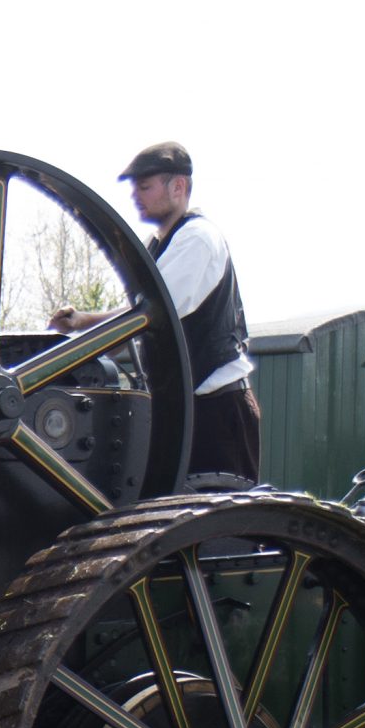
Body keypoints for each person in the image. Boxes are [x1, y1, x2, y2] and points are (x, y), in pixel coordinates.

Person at [49, 141, 260, 484]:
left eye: (144, 186)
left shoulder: (198, 238)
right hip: (183, 409)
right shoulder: (158, 246)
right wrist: (79, 334)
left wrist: (87, 324)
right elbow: (135, 329)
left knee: (216, 524)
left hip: (215, 413)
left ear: (178, 187)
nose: (135, 195)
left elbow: (151, 316)